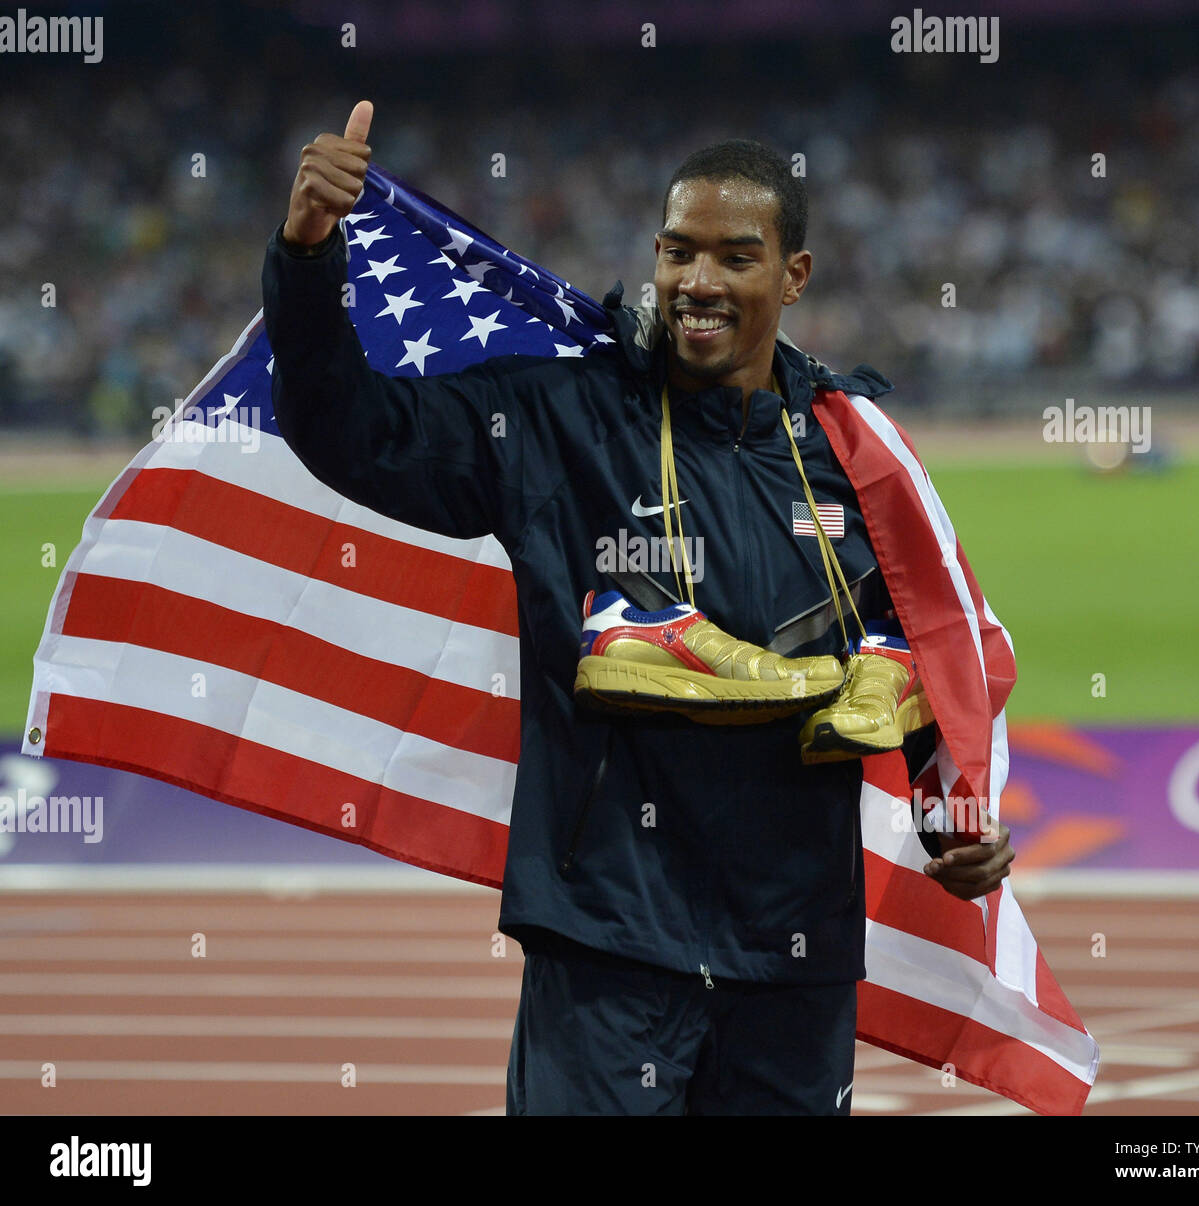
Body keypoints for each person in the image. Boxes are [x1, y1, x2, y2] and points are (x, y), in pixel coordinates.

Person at [262, 99, 1015, 1115]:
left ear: (794, 276)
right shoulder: (558, 421)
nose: (697, 283)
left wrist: (954, 818)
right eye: (677, 252)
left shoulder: (854, 457)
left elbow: (926, 648)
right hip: (606, 953)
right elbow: (347, 430)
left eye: (735, 258)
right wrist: (309, 257)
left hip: (790, 963)